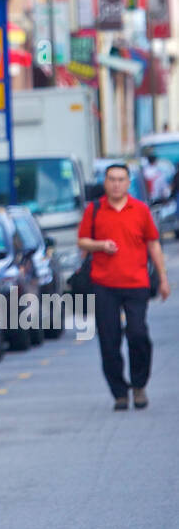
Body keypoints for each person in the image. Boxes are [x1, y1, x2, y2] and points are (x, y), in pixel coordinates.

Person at [77, 163, 170, 410]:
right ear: (105, 183)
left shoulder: (140, 210)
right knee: (109, 340)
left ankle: (139, 385)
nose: (116, 184)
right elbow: (82, 242)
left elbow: (153, 245)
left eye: (121, 179)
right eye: (112, 179)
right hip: (104, 284)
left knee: (138, 334)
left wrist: (163, 278)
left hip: (136, 283)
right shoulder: (94, 210)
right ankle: (119, 392)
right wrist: (100, 246)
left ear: (128, 183)